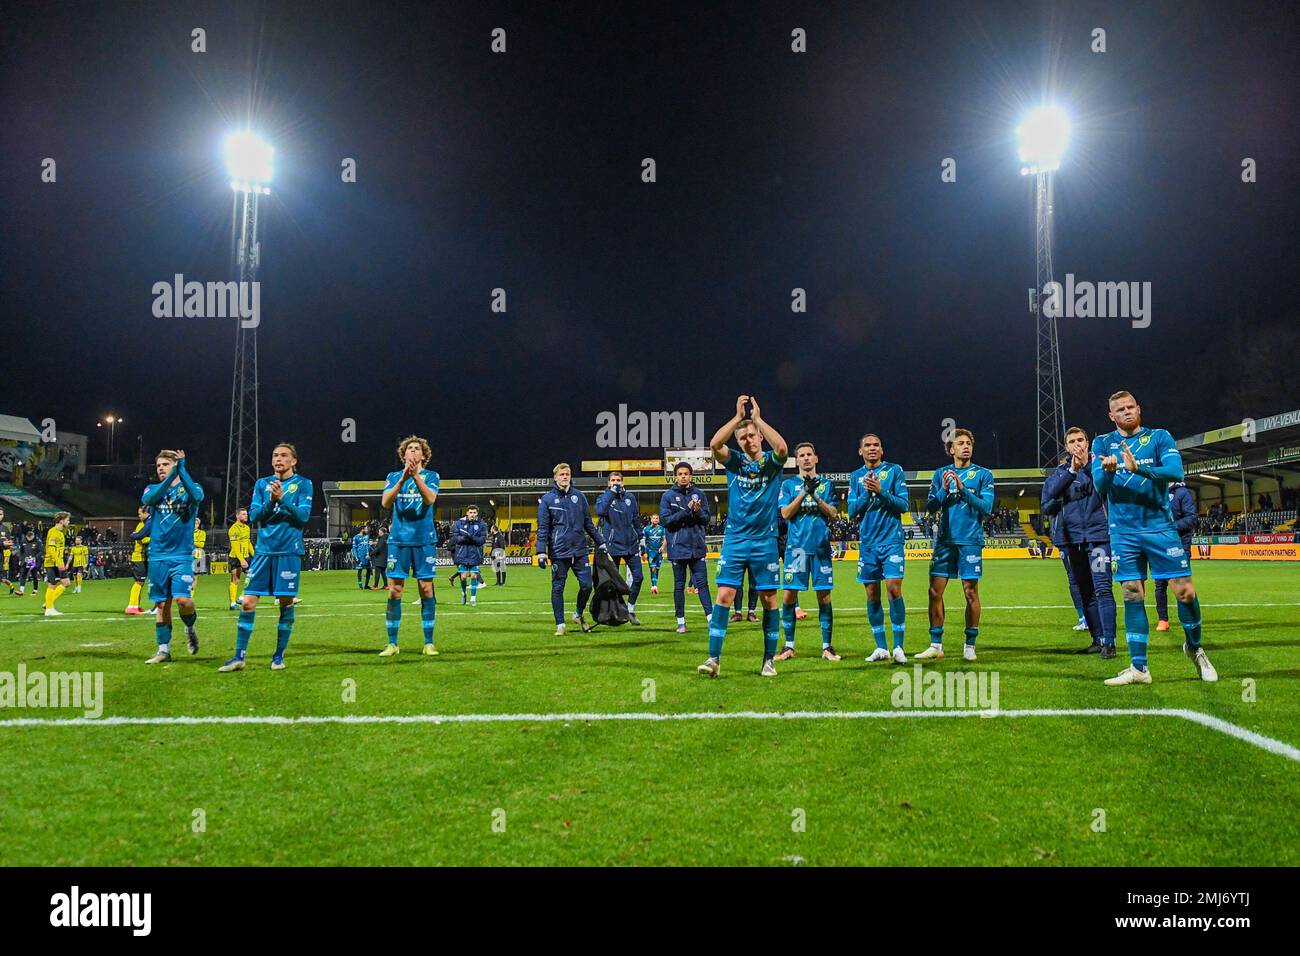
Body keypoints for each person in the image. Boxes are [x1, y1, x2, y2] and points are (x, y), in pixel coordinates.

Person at [1092, 391, 1216, 685]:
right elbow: (1099, 485)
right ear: (1112, 416)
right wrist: (1109, 472)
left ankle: (1195, 648)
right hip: (1123, 531)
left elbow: (1175, 470)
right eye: (1119, 409)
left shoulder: (1159, 437)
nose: (1126, 412)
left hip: (1160, 527)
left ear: (1139, 409)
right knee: (1132, 592)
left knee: (1185, 591)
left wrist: (1140, 468)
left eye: (1130, 407)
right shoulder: (1102, 443)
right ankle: (1139, 668)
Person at [697, 395, 789, 678]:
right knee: (724, 595)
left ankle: (768, 660)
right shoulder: (735, 463)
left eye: (752, 435)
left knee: (769, 601)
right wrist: (738, 418)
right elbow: (714, 445)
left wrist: (758, 418)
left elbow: (783, 448)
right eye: (743, 438)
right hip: (735, 540)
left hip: (765, 542)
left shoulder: (772, 464)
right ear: (738, 442)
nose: (748, 440)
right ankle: (714, 659)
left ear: (760, 436)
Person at [219, 443, 314, 671]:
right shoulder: (262, 484)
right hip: (263, 551)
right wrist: (271, 500)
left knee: (285, 603)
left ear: (293, 461)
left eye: (283, 456)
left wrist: (282, 499)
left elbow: (303, 516)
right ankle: (239, 657)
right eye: (275, 455)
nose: (278, 459)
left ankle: (278, 656)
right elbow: (253, 515)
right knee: (248, 603)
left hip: (289, 551)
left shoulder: (304, 484)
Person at [918, 428, 994, 662]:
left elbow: (986, 508)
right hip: (944, 542)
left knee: (970, 592)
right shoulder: (940, 473)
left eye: (968, 442)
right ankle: (935, 645)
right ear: (951, 449)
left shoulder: (983, 475)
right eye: (960, 443)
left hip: (969, 541)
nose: (965, 446)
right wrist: (944, 490)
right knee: (934, 592)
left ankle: (969, 646)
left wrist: (962, 490)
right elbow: (930, 507)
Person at [1041, 427, 1117, 657]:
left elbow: (1110, 488)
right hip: (1072, 541)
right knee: (1085, 591)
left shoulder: (1099, 468)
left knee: (1102, 588)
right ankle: (1097, 639)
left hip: (1098, 538)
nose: (1077, 444)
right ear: (1066, 446)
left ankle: (1110, 643)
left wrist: (1089, 468)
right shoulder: (1059, 474)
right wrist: (1071, 472)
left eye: (1081, 439)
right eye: (1072, 441)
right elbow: (1047, 503)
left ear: (1088, 443)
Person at [775, 442, 839, 661]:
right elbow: (785, 513)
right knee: (789, 594)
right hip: (797, 550)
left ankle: (827, 647)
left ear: (816, 458)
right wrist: (804, 492)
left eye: (809, 454)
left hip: (821, 549)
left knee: (824, 596)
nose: (805, 458)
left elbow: (832, 513)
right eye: (801, 455)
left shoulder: (827, 484)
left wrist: (816, 496)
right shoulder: (788, 485)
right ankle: (788, 646)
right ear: (797, 460)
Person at [849, 433, 910, 664]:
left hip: (891, 542)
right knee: (872, 593)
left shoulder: (895, 471)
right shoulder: (856, 477)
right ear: (860, 451)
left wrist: (881, 491)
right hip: (868, 545)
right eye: (867, 445)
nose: (872, 448)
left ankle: (899, 647)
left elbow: (903, 505)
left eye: (876, 445)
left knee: (894, 589)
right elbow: (853, 510)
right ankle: (881, 647)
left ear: (882, 450)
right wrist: (868, 492)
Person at [379, 436, 441, 656]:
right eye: (409, 449)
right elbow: (386, 502)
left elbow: (430, 499)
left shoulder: (432, 476)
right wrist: (404, 478)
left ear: (423, 455)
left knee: (426, 589)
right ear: (403, 455)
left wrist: (415, 477)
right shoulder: (393, 476)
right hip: (398, 541)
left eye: (417, 449)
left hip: (424, 540)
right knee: (395, 591)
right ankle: (392, 644)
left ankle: (428, 642)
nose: (413, 452)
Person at [141, 449, 204, 662]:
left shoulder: (191, 488)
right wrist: (168, 479)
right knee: (161, 604)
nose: (160, 469)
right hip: (158, 555)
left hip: (182, 555)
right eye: (158, 466)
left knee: (183, 600)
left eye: (165, 465)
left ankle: (190, 628)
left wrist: (182, 470)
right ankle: (164, 650)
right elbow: (150, 499)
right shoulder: (152, 489)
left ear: (175, 466)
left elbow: (197, 497)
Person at [537, 462, 606, 635]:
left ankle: (578, 613)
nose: (565, 477)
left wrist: (601, 542)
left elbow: (588, 524)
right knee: (558, 588)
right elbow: (543, 528)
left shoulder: (579, 497)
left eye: (567, 474)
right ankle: (560, 625)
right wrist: (541, 551)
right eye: (562, 474)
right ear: (555, 477)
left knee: (587, 586)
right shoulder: (547, 500)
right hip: (559, 551)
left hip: (580, 550)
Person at [660, 461, 712, 633]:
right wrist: (687, 511)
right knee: (679, 586)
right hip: (678, 548)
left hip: (697, 547)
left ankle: (711, 620)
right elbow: (666, 521)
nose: (683, 476)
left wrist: (697, 511)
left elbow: (706, 520)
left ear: (691, 476)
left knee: (703, 585)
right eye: (680, 473)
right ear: (675, 476)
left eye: (686, 473)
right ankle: (681, 622)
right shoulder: (667, 496)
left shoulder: (700, 494)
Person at [595, 471, 644, 625]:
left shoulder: (630, 498)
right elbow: (600, 511)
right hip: (613, 546)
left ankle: (630, 609)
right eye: (613, 480)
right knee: (612, 583)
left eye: (618, 480)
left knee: (639, 577)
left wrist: (641, 538)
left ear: (623, 482)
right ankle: (613, 612)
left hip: (631, 544)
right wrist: (611, 493)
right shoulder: (604, 497)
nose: (616, 482)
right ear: (608, 483)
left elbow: (636, 519)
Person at [1155, 480, 1197, 632]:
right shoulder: (1157, 491)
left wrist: (1171, 527)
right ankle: (1163, 619)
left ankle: (1188, 619)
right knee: (1160, 585)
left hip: (1180, 545)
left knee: (1182, 583)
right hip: (1159, 545)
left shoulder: (1182, 493)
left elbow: (1192, 518)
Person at [450, 505, 488, 607]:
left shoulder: (482, 525)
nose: (472, 514)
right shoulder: (459, 524)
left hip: (475, 554)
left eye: (474, 513)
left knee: (474, 575)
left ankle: (473, 598)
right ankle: (463, 593)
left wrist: (471, 538)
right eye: (470, 512)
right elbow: (457, 539)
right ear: (467, 513)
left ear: (477, 514)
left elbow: (482, 540)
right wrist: (466, 538)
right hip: (462, 554)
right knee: (463, 577)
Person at [41, 512, 73, 616]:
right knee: (52, 585)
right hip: (52, 562)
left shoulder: (61, 533)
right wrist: (59, 562)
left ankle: (48, 603)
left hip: (58, 562)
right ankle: (49, 609)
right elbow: (51, 549)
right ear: (61, 521)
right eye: (67, 520)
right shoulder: (53, 532)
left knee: (66, 583)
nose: (69, 522)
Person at [125, 507, 151, 614]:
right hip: (138, 557)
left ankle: (137, 606)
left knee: (141, 582)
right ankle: (131, 606)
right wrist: (154, 538)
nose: (139, 516)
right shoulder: (142, 524)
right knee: (139, 581)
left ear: (146, 513)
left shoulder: (144, 524)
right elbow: (142, 539)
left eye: (140, 514)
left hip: (142, 557)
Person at [228, 508, 254, 608]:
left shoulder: (247, 528)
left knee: (253, 576)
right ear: (237, 516)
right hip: (235, 557)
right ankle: (233, 603)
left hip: (246, 557)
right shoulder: (233, 529)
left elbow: (248, 543)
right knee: (236, 579)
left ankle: (242, 597)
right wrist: (241, 560)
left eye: (246, 514)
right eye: (243, 514)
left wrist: (254, 555)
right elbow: (234, 546)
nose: (246, 516)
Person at [641, 512, 665, 594]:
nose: (655, 519)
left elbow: (665, 540)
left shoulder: (662, 529)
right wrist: (643, 552)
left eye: (657, 518)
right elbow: (643, 541)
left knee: (657, 569)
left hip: (659, 552)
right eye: (654, 518)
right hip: (650, 551)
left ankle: (653, 585)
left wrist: (662, 547)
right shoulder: (646, 529)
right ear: (651, 520)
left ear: (659, 520)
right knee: (653, 567)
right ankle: (655, 586)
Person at [350, 524, 370, 590]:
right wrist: (356, 557)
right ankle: (360, 585)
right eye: (366, 529)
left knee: (369, 570)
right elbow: (354, 548)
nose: (367, 530)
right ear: (362, 529)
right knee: (360, 570)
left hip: (367, 557)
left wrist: (371, 553)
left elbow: (368, 546)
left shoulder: (367, 536)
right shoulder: (356, 537)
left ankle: (366, 585)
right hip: (360, 556)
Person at [191, 518, 207, 600]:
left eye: (196, 523)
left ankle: (191, 596)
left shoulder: (202, 533)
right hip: (187, 556)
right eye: (193, 523)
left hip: (198, 556)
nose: (195, 525)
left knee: (195, 576)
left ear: (198, 524)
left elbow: (201, 545)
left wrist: (191, 542)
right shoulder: (187, 532)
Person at [369, 525, 388, 590]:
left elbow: (378, 548)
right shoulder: (386, 538)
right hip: (385, 558)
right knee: (383, 572)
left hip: (380, 558)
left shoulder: (382, 539)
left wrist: (371, 554)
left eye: (379, 531)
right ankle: (386, 585)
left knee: (377, 572)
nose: (378, 533)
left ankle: (375, 586)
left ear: (382, 532)